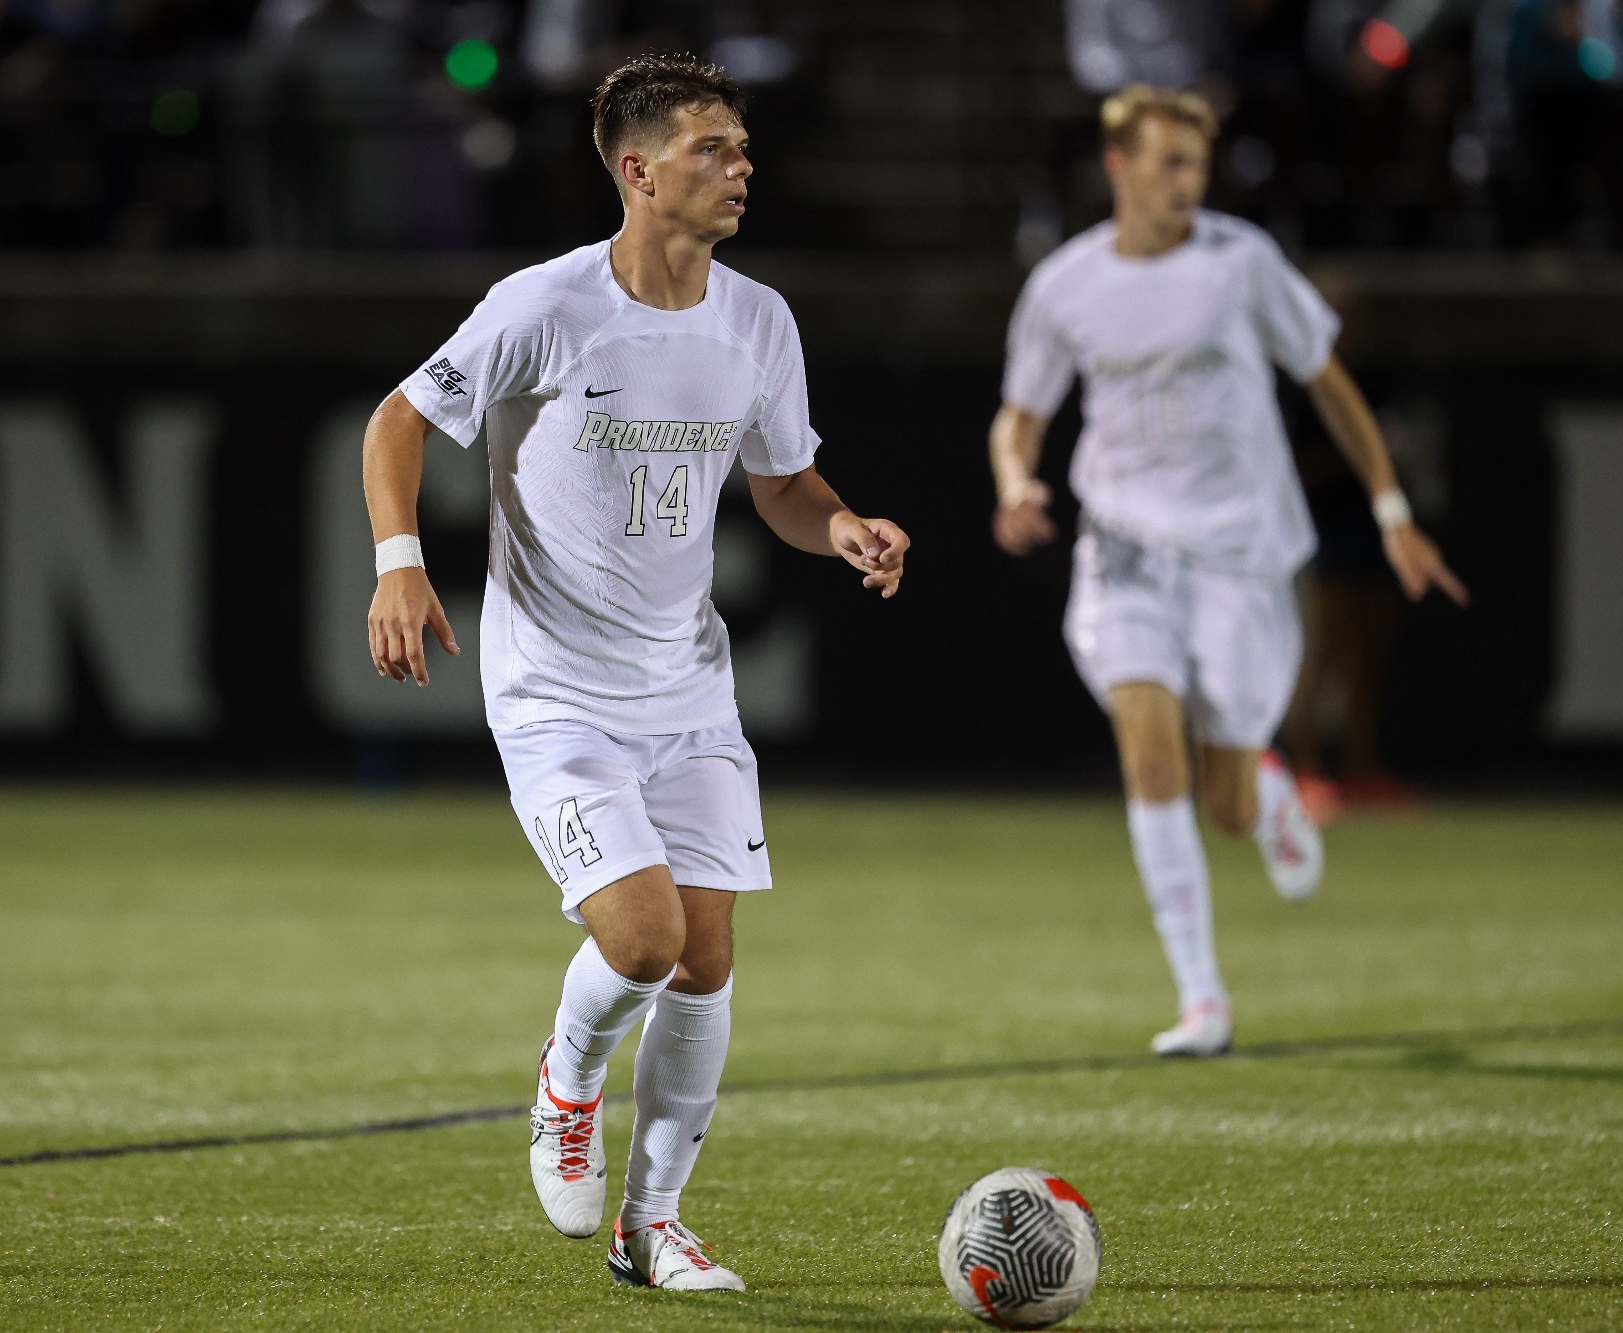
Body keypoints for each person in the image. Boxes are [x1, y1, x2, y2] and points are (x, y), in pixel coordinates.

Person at [360, 53, 909, 1291]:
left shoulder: (758, 319)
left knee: (706, 958)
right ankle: (565, 1085)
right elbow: (397, 420)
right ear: (637, 170)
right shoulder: (546, 305)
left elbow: (780, 483)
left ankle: (650, 1228)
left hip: (689, 687)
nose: (740, 167)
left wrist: (843, 528)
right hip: (553, 687)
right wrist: (401, 564)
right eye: (713, 148)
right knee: (645, 935)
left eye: (743, 148)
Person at [987, 85, 1466, 1058]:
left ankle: (1268, 791)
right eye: (1164, 163)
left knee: (1225, 802)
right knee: (1148, 752)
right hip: (1121, 549)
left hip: (1239, 557)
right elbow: (1020, 415)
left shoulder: (1239, 263)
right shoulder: (1065, 284)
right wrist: (1012, 483)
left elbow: (1326, 383)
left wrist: (1389, 511)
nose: (1182, 184)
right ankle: (1201, 995)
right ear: (1117, 166)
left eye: (1194, 167)